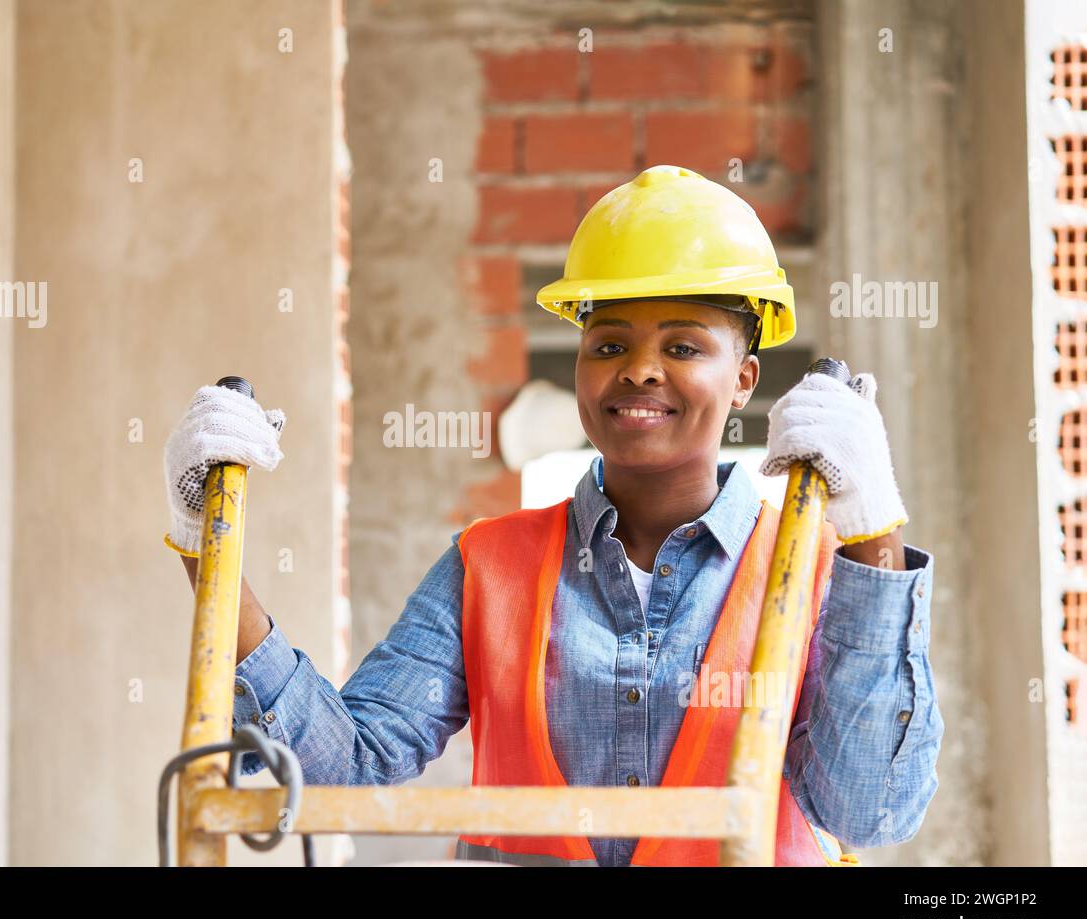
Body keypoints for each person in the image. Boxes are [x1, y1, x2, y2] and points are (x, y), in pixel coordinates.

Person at [162, 166, 943, 866]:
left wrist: (873, 531)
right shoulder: (487, 566)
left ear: (743, 378)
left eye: (682, 344)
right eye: (608, 345)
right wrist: (209, 549)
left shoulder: (810, 568)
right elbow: (349, 763)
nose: (639, 367)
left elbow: (868, 808)